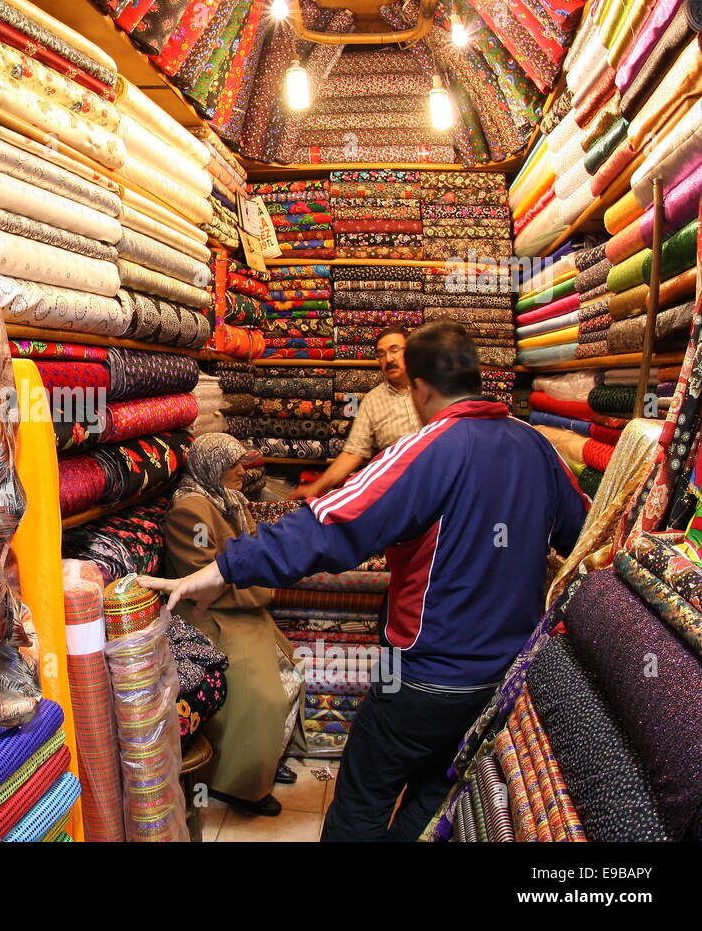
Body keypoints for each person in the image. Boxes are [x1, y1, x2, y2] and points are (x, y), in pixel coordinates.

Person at [141, 322, 589, 841]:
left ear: (419, 387)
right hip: (503, 676)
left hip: (426, 673)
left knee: (364, 794)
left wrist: (220, 569)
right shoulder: (537, 447)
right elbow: (583, 534)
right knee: (435, 791)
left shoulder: (430, 448)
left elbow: (328, 524)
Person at [159, 433, 303, 818]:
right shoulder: (190, 512)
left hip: (242, 608)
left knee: (290, 673)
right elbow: (201, 583)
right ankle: (240, 785)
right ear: (211, 467)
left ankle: (264, 760)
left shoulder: (231, 502)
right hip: (212, 617)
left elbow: (254, 552)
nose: (242, 471)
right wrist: (263, 591)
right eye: (232, 464)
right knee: (263, 696)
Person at [294, 325, 420, 500]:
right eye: (381, 354)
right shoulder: (373, 400)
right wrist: (315, 488)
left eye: (395, 350)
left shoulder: (431, 388)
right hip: (398, 492)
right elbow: (353, 452)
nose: (388, 359)